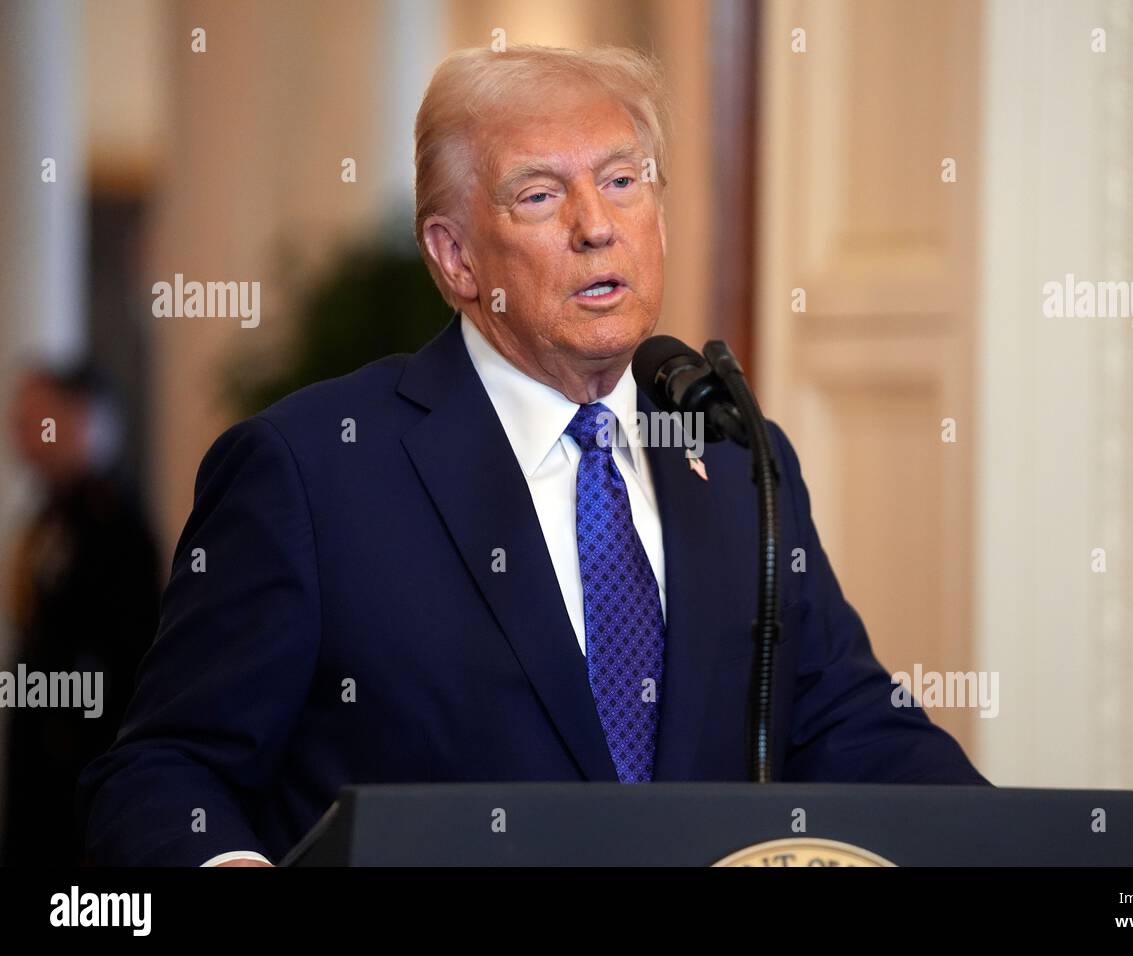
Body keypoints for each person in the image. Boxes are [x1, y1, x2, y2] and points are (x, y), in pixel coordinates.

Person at [77, 44, 988, 868]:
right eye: (541, 195)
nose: (598, 225)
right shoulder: (313, 472)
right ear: (456, 258)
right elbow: (163, 773)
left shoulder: (738, 455)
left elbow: (851, 728)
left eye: (625, 182)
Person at [4, 363, 159, 865]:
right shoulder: (52, 516)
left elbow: (127, 659)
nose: (18, 432)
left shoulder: (114, 525)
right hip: (40, 760)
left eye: (33, 418)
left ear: (75, 419)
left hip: (80, 766)